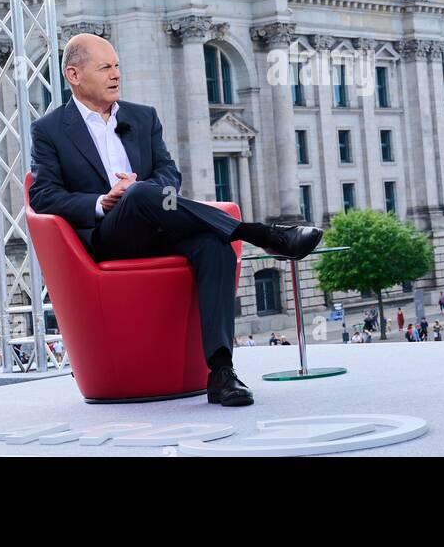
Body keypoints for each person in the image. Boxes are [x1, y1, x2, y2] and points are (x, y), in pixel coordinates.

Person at [29, 34, 325, 408]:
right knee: (136, 195)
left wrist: (145, 190)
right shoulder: (50, 130)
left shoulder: (142, 116)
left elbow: (168, 174)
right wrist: (102, 201)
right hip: (108, 237)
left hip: (159, 223)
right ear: (73, 74)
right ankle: (258, 234)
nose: (116, 74)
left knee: (213, 244)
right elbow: (43, 196)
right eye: (105, 67)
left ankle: (221, 373)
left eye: (118, 65)